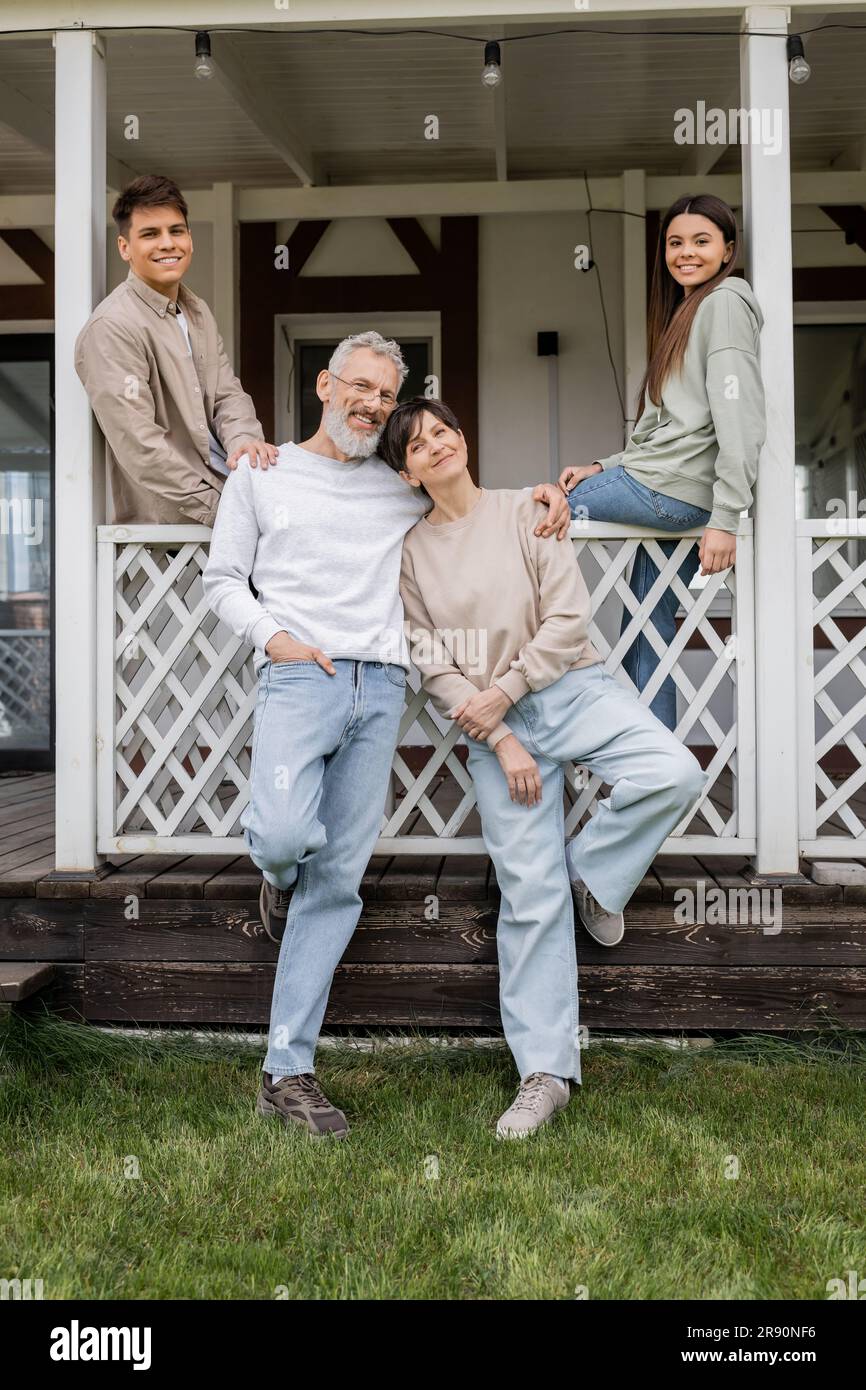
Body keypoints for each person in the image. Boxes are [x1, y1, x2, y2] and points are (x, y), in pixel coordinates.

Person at [202, 332, 571, 1141]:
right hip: (300, 677)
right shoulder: (262, 473)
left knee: (337, 881)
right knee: (284, 834)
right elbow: (222, 578)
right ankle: (275, 871)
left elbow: (462, 500)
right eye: (359, 388)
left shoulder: (392, 486)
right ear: (325, 385)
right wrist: (277, 640)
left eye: (385, 394)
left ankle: (286, 1071)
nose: (371, 404)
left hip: (384, 688)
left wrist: (544, 496)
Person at [382, 397, 707, 1140]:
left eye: (442, 431)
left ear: (462, 438)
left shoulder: (530, 508)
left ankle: (591, 875)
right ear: (406, 472)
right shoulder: (409, 554)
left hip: (568, 688)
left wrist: (506, 693)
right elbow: (430, 662)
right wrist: (499, 735)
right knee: (529, 894)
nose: (436, 445)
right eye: (417, 444)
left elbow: (567, 623)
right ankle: (544, 1074)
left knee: (672, 771)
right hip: (496, 734)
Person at [560, 194, 766, 731]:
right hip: (663, 484)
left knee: (530, 516)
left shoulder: (723, 306)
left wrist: (726, 518)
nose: (686, 253)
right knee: (644, 630)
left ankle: (535, 665)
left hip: (669, 491)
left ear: (728, 250)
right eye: (676, 243)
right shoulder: (690, 310)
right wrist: (604, 466)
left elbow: (739, 418)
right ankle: (659, 766)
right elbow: (671, 424)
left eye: (702, 241)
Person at [75, 174, 277, 525]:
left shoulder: (196, 311)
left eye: (176, 231)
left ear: (190, 239)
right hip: (177, 529)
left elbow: (227, 395)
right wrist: (222, 507)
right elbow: (140, 446)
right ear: (125, 248)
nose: (167, 244)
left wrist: (244, 442)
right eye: (150, 234)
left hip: (238, 495)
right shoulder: (112, 327)